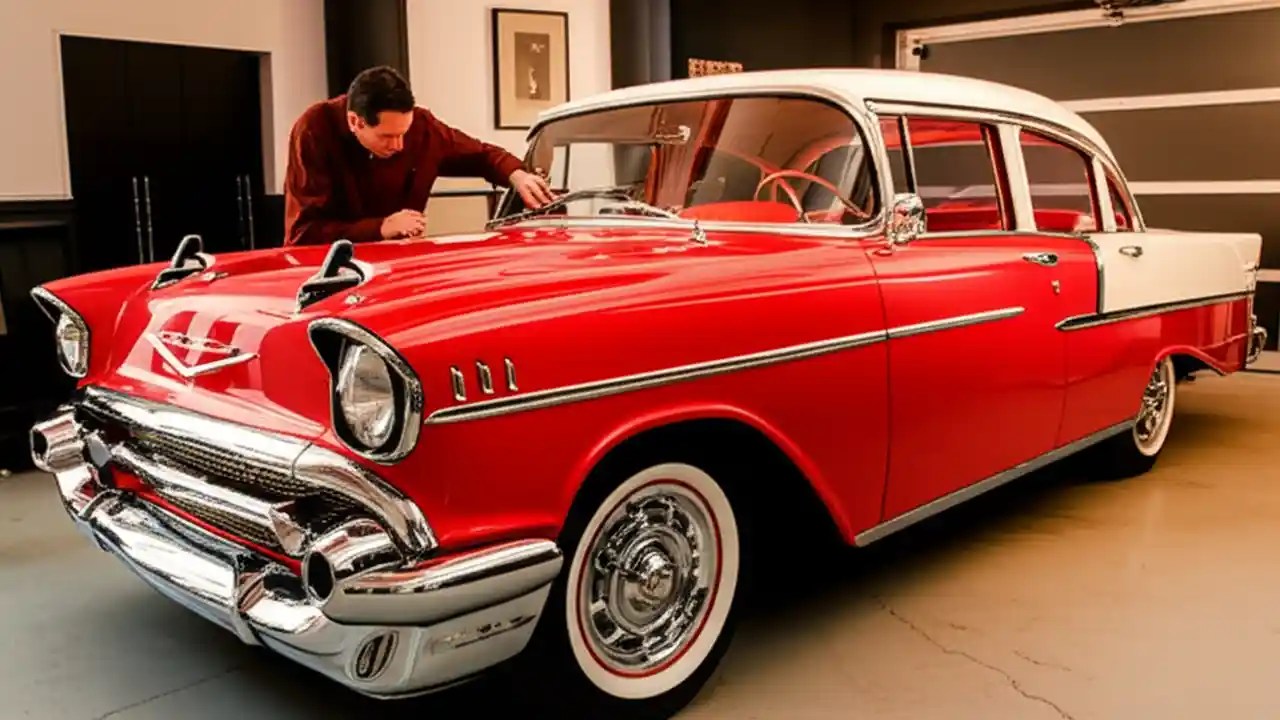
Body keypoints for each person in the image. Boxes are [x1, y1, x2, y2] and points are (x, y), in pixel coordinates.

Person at [283, 65, 554, 246]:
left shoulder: (423, 127)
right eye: (387, 137)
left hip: (402, 266)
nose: (400, 145)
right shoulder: (315, 129)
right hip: (331, 273)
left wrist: (517, 175)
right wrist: (381, 228)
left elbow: (481, 155)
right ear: (356, 122)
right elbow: (302, 234)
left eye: (404, 132)